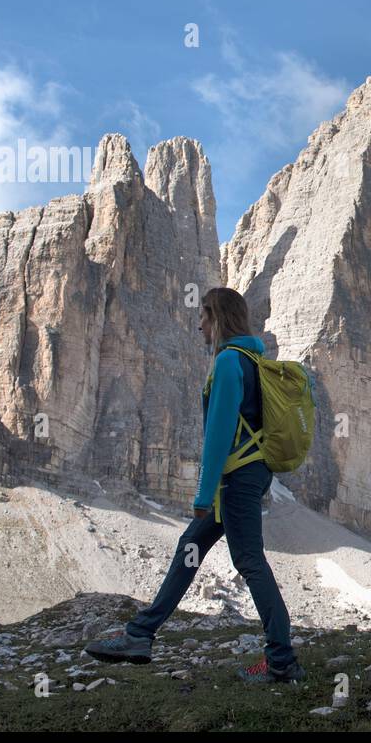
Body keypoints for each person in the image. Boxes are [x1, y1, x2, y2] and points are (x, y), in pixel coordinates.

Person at [85, 288, 305, 684]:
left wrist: (204, 494)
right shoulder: (253, 360)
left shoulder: (227, 362)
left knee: (250, 562)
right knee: (190, 548)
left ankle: (282, 661)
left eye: (203, 315)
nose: (198, 323)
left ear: (217, 317)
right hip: (249, 475)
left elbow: (219, 434)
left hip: (235, 479)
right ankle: (141, 634)